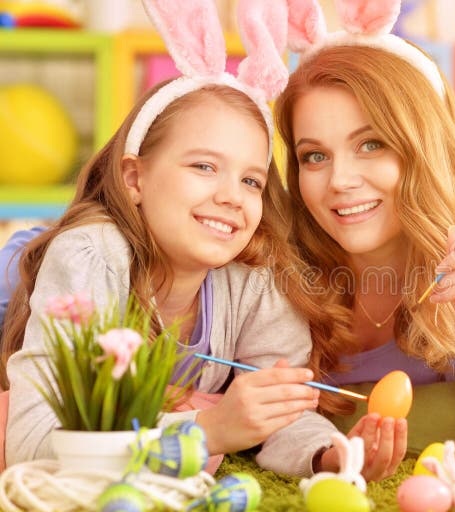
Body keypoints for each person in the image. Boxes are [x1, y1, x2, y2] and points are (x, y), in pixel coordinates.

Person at [0, 0, 338, 476]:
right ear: (135, 179)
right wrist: (208, 430)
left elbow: (282, 413)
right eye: (203, 166)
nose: (232, 197)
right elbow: (31, 444)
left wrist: (328, 455)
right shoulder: (90, 255)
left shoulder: (255, 275)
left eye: (251, 181)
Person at [274, 0, 455, 467]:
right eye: (314, 156)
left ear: (424, 146)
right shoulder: (280, 250)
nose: (340, 180)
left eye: (371, 144)